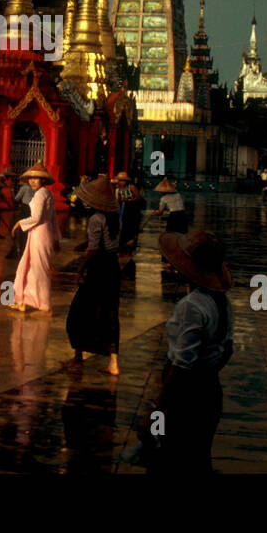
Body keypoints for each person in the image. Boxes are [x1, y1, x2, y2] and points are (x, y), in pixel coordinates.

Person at [141, 230, 234, 474]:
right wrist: (209, 370)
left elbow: (182, 365)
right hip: (210, 392)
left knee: (167, 455)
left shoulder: (191, 306)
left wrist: (157, 412)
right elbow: (228, 348)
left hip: (183, 397)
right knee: (198, 457)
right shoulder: (222, 302)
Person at [66, 175, 122, 375]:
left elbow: (93, 249)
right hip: (113, 268)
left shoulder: (95, 219)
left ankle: (78, 357)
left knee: (79, 312)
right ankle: (114, 363)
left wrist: (80, 269)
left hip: (99, 268)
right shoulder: (115, 217)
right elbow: (110, 244)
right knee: (109, 313)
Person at [10, 163, 59, 315]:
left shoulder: (39, 195)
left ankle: (45, 305)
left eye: (36, 178)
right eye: (31, 178)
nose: (32, 181)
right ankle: (23, 301)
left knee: (38, 270)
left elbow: (37, 217)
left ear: (43, 180)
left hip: (39, 233)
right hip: (44, 233)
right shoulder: (48, 194)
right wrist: (56, 238)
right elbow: (53, 219)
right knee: (29, 267)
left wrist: (20, 222)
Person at [113, 172, 145, 255]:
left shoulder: (132, 187)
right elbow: (118, 200)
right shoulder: (117, 189)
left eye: (122, 181)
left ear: (126, 181)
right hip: (124, 210)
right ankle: (123, 245)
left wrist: (129, 200)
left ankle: (131, 245)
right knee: (123, 226)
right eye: (119, 181)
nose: (120, 182)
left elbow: (138, 198)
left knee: (132, 227)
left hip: (133, 210)